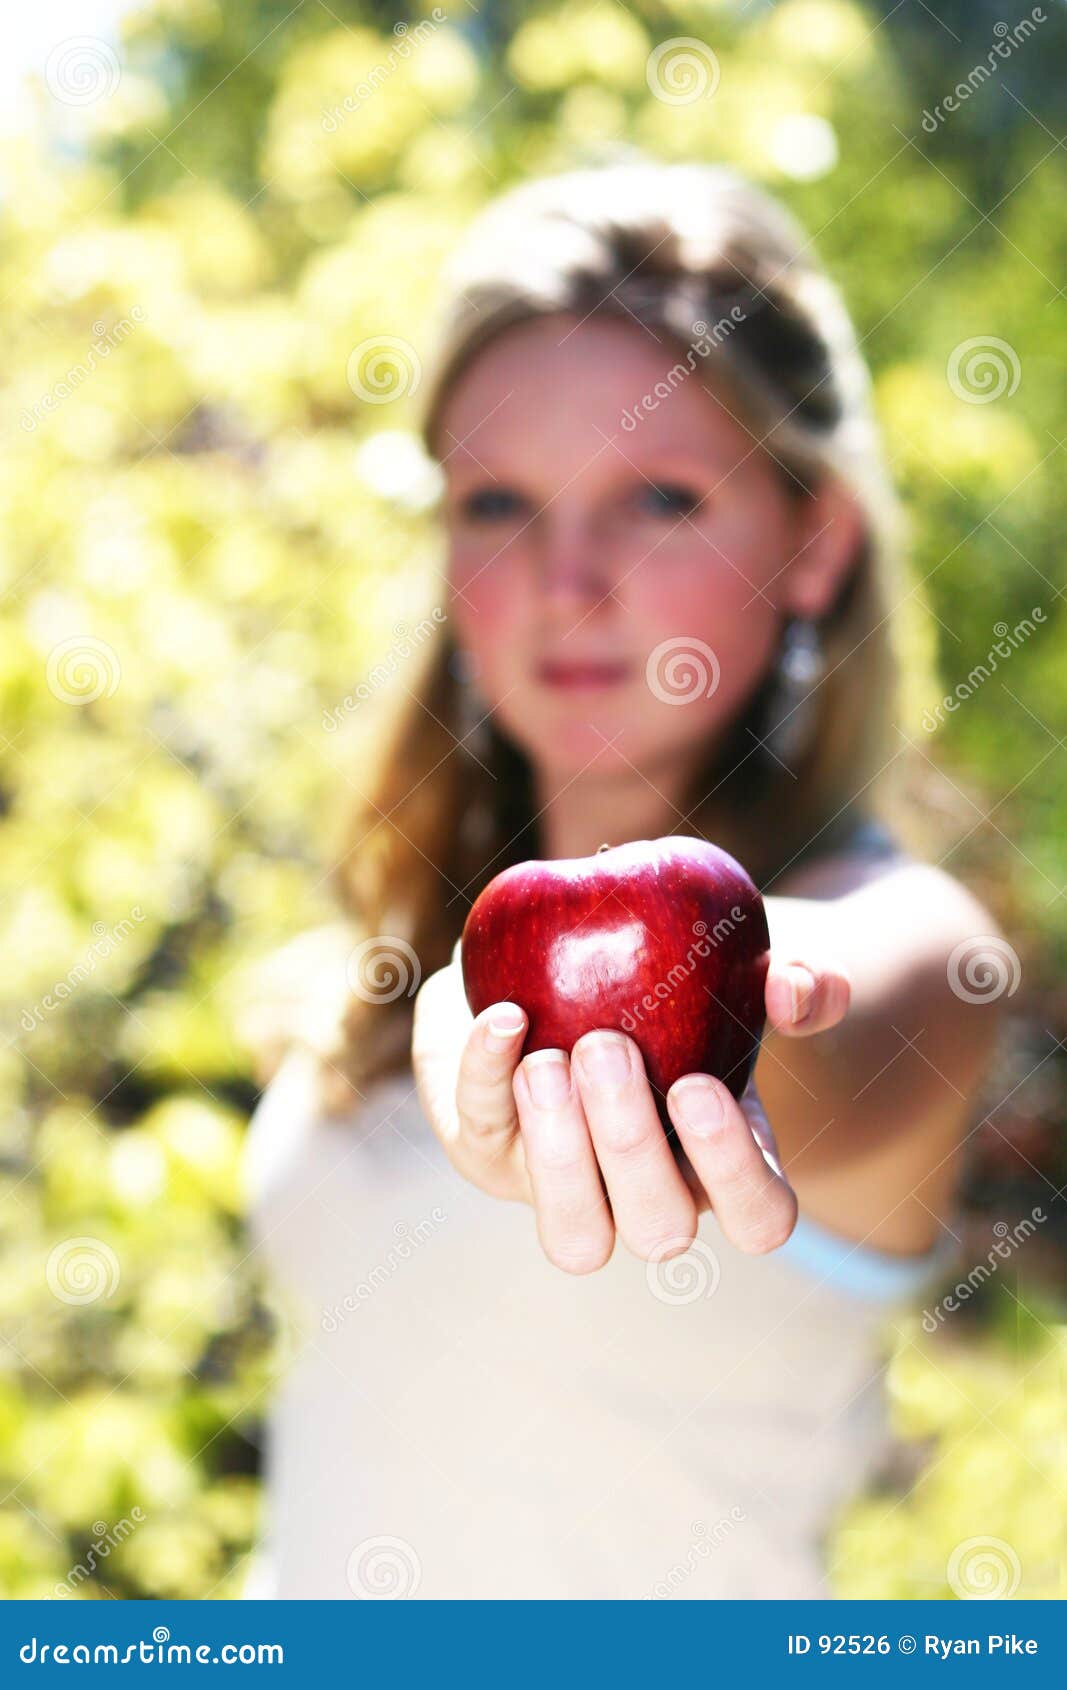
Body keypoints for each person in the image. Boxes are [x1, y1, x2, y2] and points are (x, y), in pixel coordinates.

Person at [241, 158, 1004, 1600]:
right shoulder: (410, 944)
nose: (567, 579)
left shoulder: (917, 949)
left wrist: (688, 1022)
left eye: (657, 497)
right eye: (498, 503)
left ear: (814, 542)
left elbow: (814, 1025)